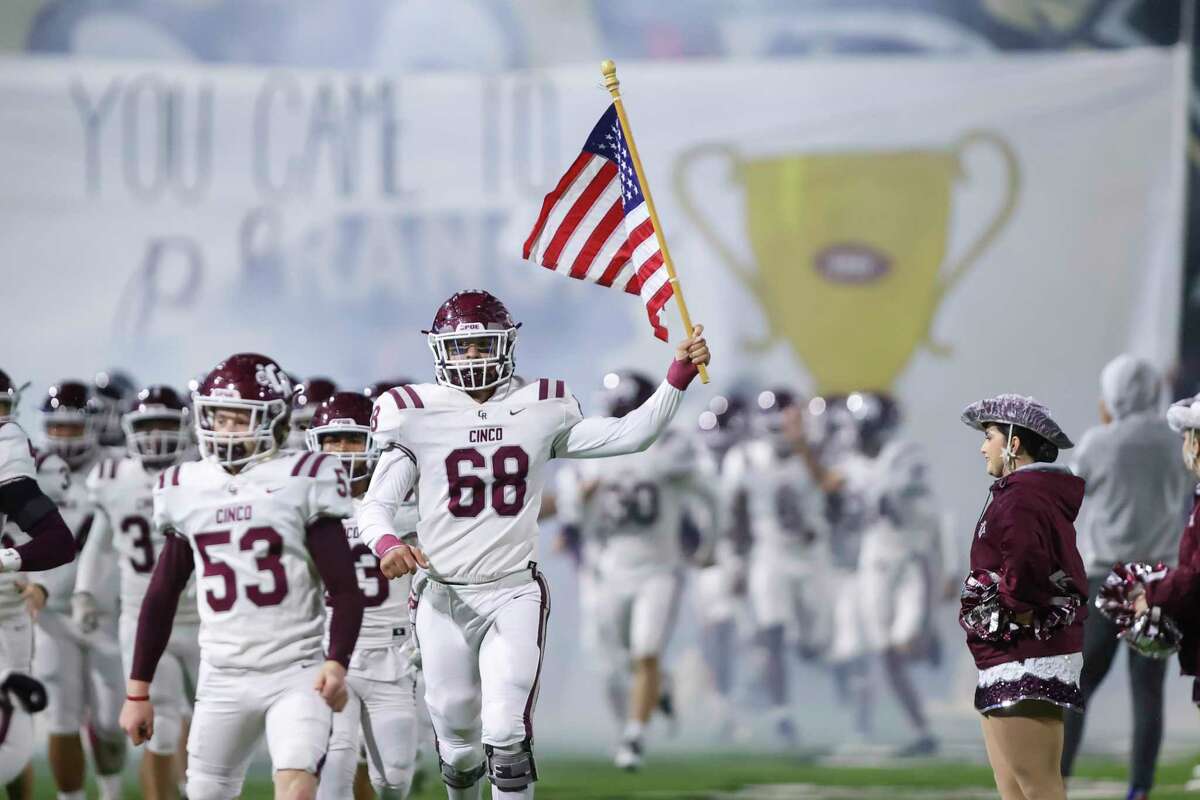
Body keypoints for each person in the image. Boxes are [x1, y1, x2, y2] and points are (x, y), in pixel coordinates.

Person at [357, 289, 710, 799]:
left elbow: (631, 435)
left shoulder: (539, 406)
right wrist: (388, 543)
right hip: (441, 595)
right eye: (462, 348)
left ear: (506, 345)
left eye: (482, 345)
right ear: (441, 351)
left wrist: (676, 375)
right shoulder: (415, 413)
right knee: (457, 741)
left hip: (512, 591)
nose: (473, 358)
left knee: (505, 729)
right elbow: (374, 504)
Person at [117, 353, 364, 800]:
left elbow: (345, 588)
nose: (226, 431)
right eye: (220, 418)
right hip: (223, 676)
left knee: (298, 784)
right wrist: (137, 691)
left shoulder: (302, 476)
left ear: (274, 421)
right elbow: (162, 593)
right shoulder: (186, 486)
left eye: (240, 420)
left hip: (296, 670)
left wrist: (337, 661)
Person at [560, 370, 718, 769]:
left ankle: (634, 738)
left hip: (658, 570)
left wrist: (707, 543)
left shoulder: (668, 448)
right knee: (616, 659)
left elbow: (708, 494)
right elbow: (572, 515)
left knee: (646, 650)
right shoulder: (591, 456)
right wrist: (579, 500)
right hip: (609, 571)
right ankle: (655, 694)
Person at [1059, 356, 1193, 799]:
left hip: (1106, 575)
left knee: (1079, 685)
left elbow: (1070, 497)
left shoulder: (1101, 442)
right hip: (1159, 578)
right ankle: (1139, 789)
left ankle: (1054, 779)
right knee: (1146, 689)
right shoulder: (1171, 440)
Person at [959, 394, 1088, 800]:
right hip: (1010, 653)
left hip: (1026, 652)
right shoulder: (1018, 492)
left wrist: (1012, 608)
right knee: (1013, 787)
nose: (983, 447)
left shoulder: (1023, 496)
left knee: (1038, 787)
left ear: (1014, 443)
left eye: (990, 435)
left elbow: (1027, 565)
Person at [73, 385, 199, 800]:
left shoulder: (205, 475)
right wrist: (86, 592)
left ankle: (193, 788)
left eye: (166, 423)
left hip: (206, 618)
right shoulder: (114, 479)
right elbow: (99, 542)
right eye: (148, 425)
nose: (157, 434)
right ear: (130, 429)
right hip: (143, 618)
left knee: (214, 728)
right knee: (158, 729)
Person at [308, 391, 420, 800]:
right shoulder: (303, 505)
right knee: (333, 773)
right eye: (332, 441)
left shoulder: (406, 505)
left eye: (351, 440)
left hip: (392, 655)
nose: (341, 451)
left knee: (395, 778)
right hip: (329, 653)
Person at [34, 379, 129, 800]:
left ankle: (110, 790)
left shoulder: (117, 467)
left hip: (108, 612)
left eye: (73, 428)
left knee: (111, 721)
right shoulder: (27, 470)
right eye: (57, 428)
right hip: (51, 613)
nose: (65, 437)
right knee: (61, 717)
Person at [722, 388, 830, 747]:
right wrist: (736, 560)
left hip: (811, 556)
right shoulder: (746, 458)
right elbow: (735, 513)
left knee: (814, 642)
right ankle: (782, 714)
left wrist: (802, 446)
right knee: (772, 634)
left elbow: (830, 486)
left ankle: (767, 687)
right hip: (768, 555)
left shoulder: (812, 451)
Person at [0, 369, 76, 799]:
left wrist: (9, 561)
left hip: (9, 605)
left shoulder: (21, 458)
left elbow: (61, 541)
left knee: (11, 735)